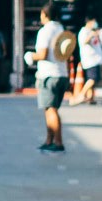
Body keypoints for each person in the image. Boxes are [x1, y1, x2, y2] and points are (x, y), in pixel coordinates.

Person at [36, 14, 75, 152]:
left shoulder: (45, 31)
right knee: (50, 109)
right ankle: (49, 140)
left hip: (49, 75)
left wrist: (29, 56)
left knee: (50, 109)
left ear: (44, 14)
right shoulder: (61, 30)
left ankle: (58, 142)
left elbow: (42, 54)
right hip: (62, 74)